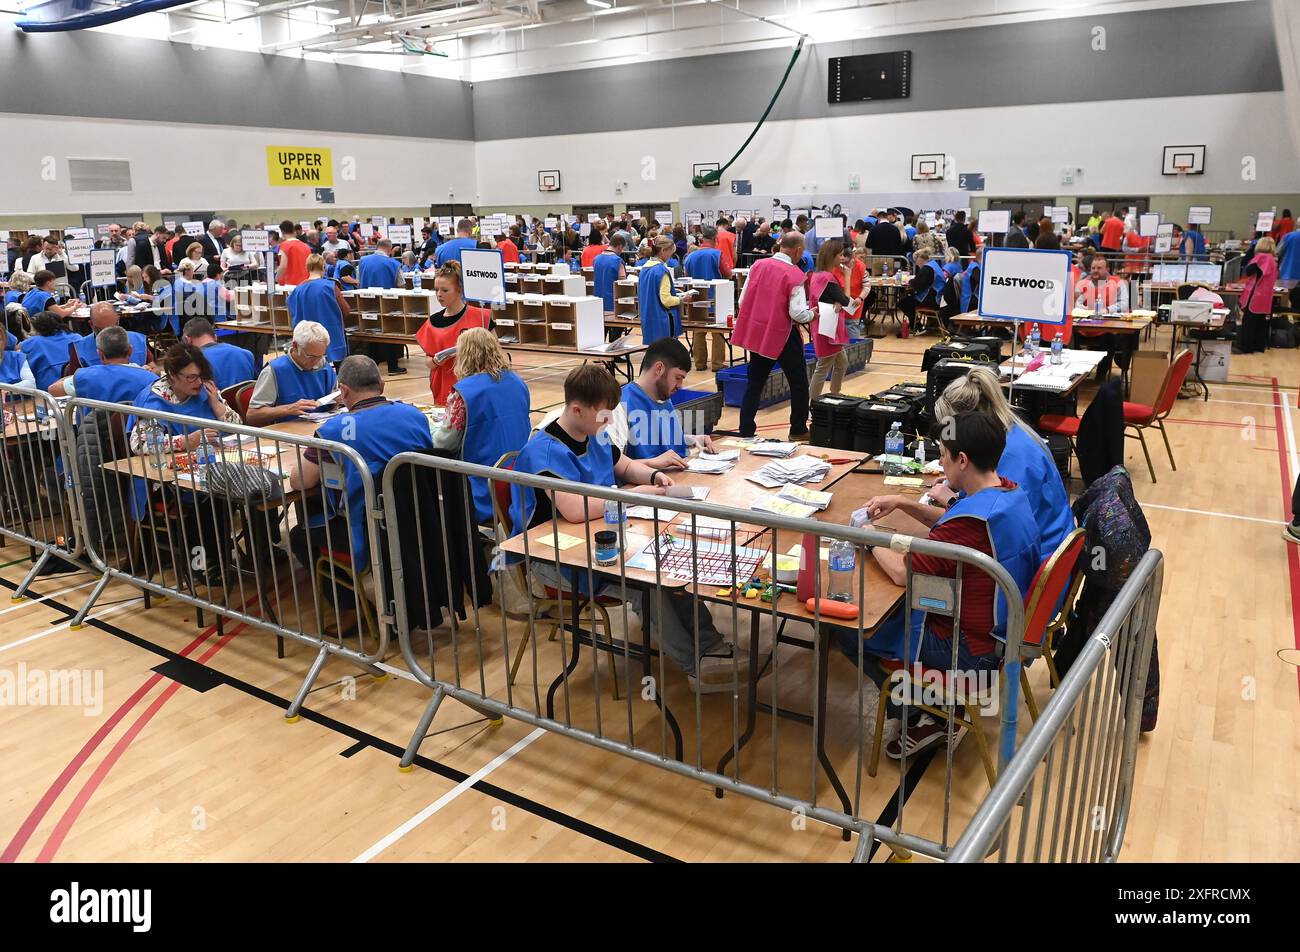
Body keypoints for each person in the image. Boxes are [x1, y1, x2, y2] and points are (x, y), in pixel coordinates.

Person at [508, 364, 744, 691]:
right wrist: (631, 496)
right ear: (577, 409)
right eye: (603, 414)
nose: (609, 422)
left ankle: (712, 646)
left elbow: (624, 465)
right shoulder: (543, 452)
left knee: (672, 573)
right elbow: (575, 510)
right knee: (646, 586)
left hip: (602, 542)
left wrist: (651, 476)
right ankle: (697, 667)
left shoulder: (594, 433)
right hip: (556, 559)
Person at [843, 412, 1041, 754]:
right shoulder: (1008, 493)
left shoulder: (968, 522)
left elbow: (904, 572)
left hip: (970, 652)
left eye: (943, 454)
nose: (939, 461)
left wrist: (868, 536)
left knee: (851, 627)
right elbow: (955, 519)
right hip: (1000, 631)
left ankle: (921, 711)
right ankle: (931, 708)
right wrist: (904, 503)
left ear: (962, 460)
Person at [288, 355, 433, 574]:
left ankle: (351, 601)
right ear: (382, 385)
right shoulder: (415, 415)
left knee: (299, 535)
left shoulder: (335, 429)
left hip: (370, 527)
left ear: (343, 391)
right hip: (421, 517)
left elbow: (300, 481)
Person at [932, 368, 1074, 558]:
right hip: (1050, 550)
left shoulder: (1010, 457)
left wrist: (951, 500)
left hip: (1037, 563)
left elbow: (988, 526)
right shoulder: (1009, 432)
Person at [431, 328, 532, 524]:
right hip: (519, 479)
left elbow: (443, 443)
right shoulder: (519, 383)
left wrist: (430, 428)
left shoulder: (462, 393)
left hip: (481, 488)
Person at [731, 231, 813, 439]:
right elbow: (797, 313)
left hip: (759, 332)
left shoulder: (757, 266)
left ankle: (746, 430)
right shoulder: (795, 274)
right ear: (797, 250)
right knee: (799, 383)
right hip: (784, 335)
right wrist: (813, 313)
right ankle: (798, 429)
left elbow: (743, 301)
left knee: (755, 383)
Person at [606, 337, 716, 468]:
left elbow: (657, 439)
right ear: (659, 369)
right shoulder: (619, 405)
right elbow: (611, 465)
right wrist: (653, 462)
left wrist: (691, 439)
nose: (680, 385)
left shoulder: (663, 396)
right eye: (678, 378)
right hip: (643, 486)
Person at [415, 261, 492, 405]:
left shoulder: (482, 316)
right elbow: (428, 361)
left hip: (477, 387)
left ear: (459, 289)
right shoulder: (433, 322)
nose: (439, 295)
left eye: (444, 290)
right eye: (436, 290)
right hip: (445, 388)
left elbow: (496, 352)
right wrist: (436, 361)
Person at [245, 321, 339, 425]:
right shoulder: (275, 371)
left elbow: (332, 403)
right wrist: (288, 409)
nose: (317, 361)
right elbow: (252, 415)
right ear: (295, 346)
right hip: (289, 434)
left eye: (321, 355)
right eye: (311, 356)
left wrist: (338, 401)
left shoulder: (323, 365)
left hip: (320, 428)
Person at [49, 326, 156, 401]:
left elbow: (53, 389)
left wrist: (76, 375)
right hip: (135, 432)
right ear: (130, 350)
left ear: (100, 354)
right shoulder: (150, 379)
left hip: (94, 432)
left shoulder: (85, 377)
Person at [682, 226, 733, 371]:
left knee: (698, 332)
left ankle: (699, 363)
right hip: (715, 299)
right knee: (717, 333)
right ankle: (717, 364)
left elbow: (687, 276)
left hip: (696, 298)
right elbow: (728, 274)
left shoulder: (690, 256)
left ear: (702, 238)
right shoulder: (717, 254)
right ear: (715, 239)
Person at [808, 240, 853, 400]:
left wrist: (838, 301)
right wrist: (848, 276)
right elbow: (847, 300)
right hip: (827, 330)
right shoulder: (828, 278)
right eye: (839, 255)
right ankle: (812, 403)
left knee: (842, 363)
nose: (842, 258)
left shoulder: (817, 276)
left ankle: (834, 395)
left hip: (824, 327)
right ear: (831, 256)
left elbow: (834, 299)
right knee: (822, 368)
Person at [287, 254, 349, 366]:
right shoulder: (330, 286)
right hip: (332, 336)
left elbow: (292, 312)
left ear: (307, 268)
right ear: (323, 267)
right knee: (339, 368)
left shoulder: (297, 290)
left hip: (307, 340)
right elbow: (345, 310)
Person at [355, 239, 406, 375]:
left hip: (366, 303)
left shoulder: (363, 261)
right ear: (389, 249)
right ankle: (392, 366)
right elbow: (401, 285)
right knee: (389, 334)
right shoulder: (394, 264)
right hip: (387, 304)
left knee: (372, 334)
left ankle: (372, 367)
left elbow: (359, 282)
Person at [637, 236, 697, 344]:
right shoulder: (661, 271)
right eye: (670, 252)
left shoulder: (644, 269)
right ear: (663, 251)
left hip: (648, 319)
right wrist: (682, 299)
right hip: (662, 322)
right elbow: (666, 300)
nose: (671, 256)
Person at [180, 318, 257, 390]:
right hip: (244, 403)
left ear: (188, 340)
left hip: (213, 403)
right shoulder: (247, 354)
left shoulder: (193, 363)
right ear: (215, 337)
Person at [71, 302, 149, 369]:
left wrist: (149, 370)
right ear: (91, 324)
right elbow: (72, 381)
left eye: (112, 329)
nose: (107, 336)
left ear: (118, 321)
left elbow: (154, 368)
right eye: (101, 331)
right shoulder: (79, 349)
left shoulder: (138, 340)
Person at [1237, 236, 1278, 354]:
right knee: (1262, 323)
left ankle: (1246, 347)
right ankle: (1258, 346)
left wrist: (1249, 255)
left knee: (1249, 322)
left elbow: (1248, 271)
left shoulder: (1261, 258)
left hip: (1255, 295)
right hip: (1266, 296)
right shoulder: (1273, 260)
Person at [19, 313, 79, 391]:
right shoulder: (76, 337)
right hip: (77, 386)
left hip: (47, 391)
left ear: (38, 328)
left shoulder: (31, 343)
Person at [898, 248, 947, 333]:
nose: (916, 263)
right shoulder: (933, 264)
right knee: (908, 300)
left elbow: (918, 285)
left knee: (903, 303)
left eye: (916, 260)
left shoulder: (927, 268)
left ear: (920, 259)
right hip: (937, 297)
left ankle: (916, 326)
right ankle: (916, 324)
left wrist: (910, 282)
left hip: (932, 300)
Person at [592, 234, 627, 340]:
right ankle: (614, 355)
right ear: (620, 246)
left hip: (599, 300)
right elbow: (623, 282)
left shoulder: (596, 259)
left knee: (601, 332)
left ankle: (602, 354)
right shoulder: (618, 260)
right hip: (613, 302)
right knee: (616, 331)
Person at [276, 219, 313, 285]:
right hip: (306, 284)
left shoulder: (284, 246)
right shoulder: (306, 247)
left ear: (282, 232)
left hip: (290, 285)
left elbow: (283, 266)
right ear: (294, 231)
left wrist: (275, 280)